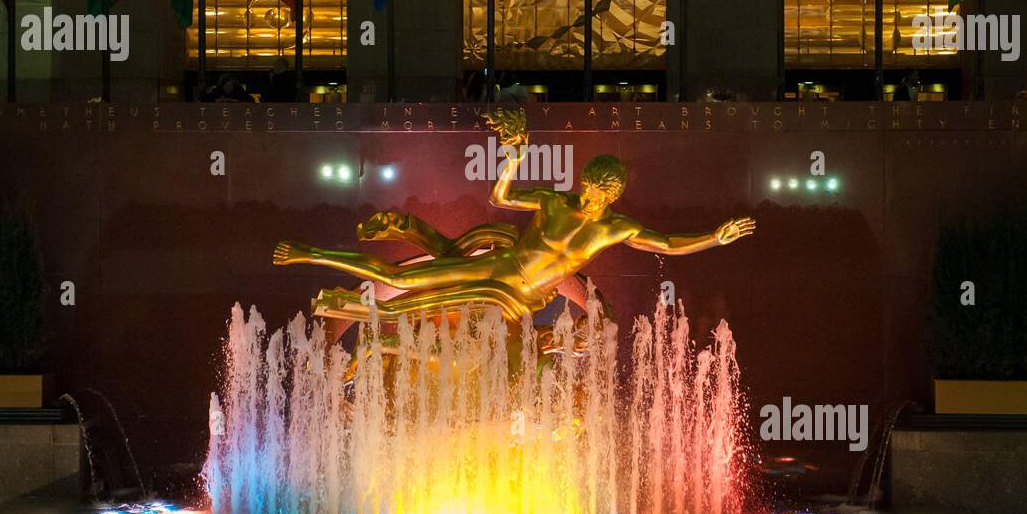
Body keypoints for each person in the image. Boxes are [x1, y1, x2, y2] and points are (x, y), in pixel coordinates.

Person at [274, 109, 757, 322]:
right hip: (500, 269)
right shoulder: (553, 200)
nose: (587, 196)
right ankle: (307, 253)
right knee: (400, 277)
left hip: (527, 297)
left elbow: (669, 245)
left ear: (611, 196)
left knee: (408, 298)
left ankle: (351, 302)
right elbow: (501, 198)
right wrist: (515, 159)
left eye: (597, 192)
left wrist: (716, 236)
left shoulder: (617, 228)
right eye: (586, 186)